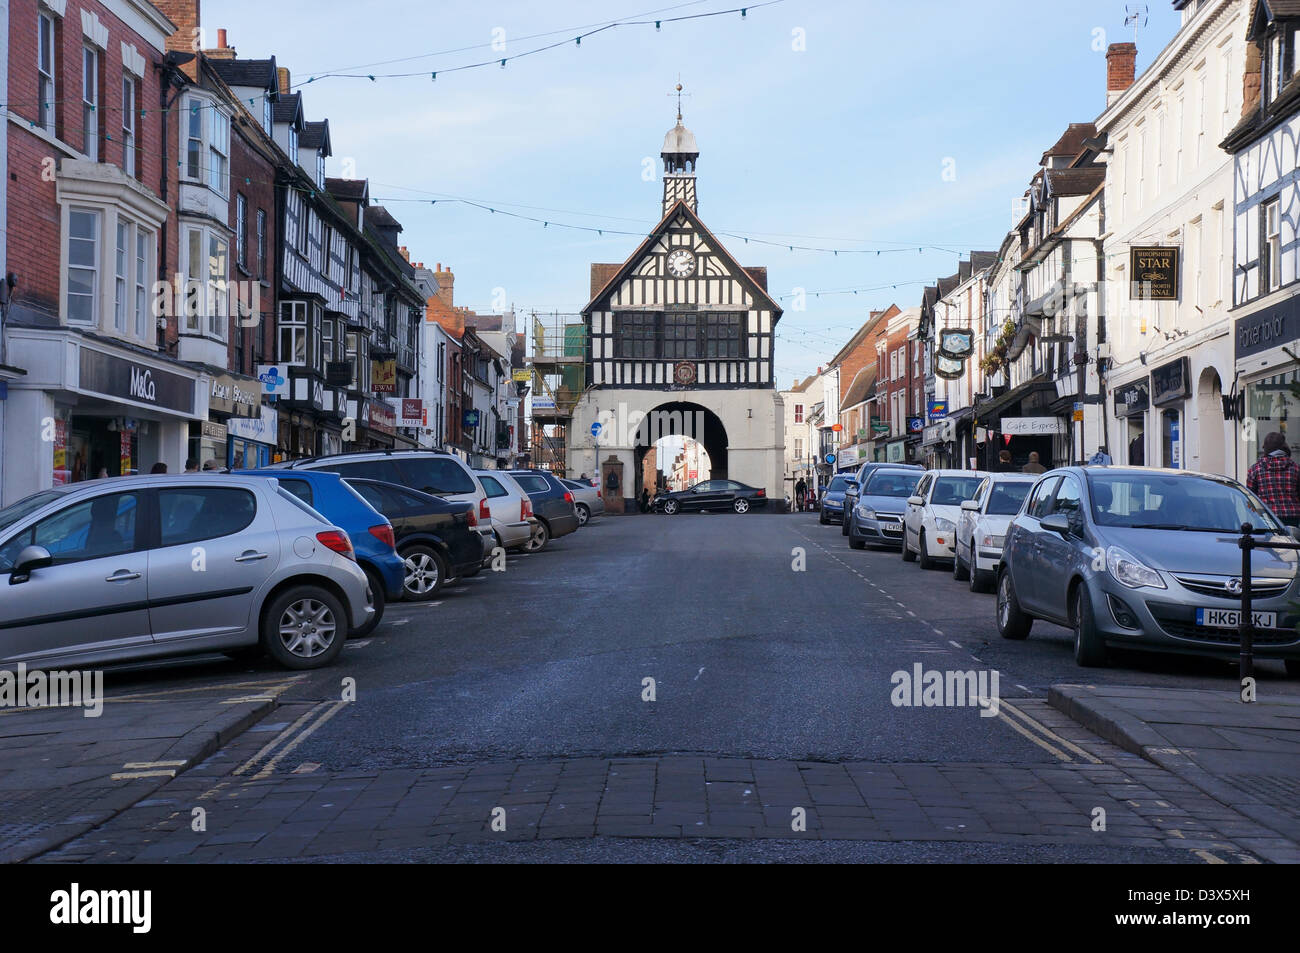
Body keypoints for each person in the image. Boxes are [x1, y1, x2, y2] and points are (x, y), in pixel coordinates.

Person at [1247, 432, 1300, 525]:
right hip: (1292, 517)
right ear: (1284, 447)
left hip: (1266, 517)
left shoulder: (1255, 469)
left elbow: (1250, 497)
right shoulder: (1296, 468)